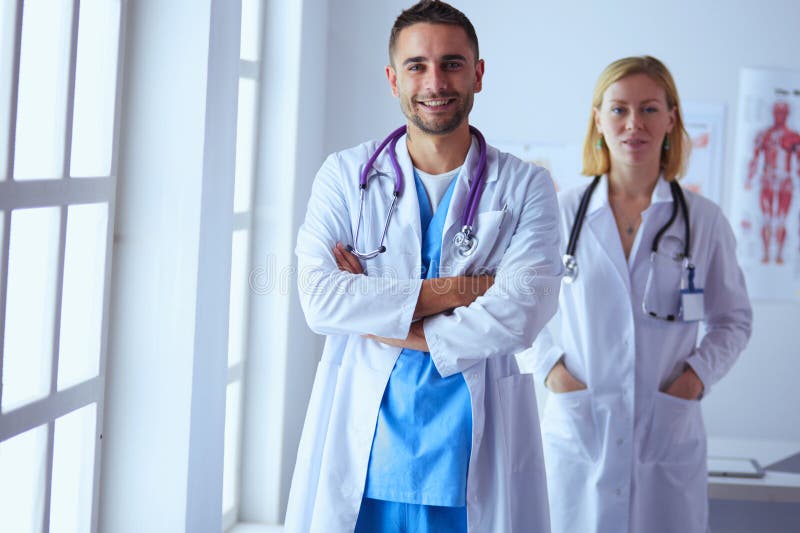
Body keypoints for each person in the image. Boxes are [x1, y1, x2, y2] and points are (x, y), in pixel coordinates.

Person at [285, 2, 562, 532]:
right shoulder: (345, 176)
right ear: (393, 79)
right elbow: (320, 300)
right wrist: (457, 291)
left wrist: (378, 320)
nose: (435, 81)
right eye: (416, 65)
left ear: (479, 73)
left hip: (470, 447)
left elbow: (520, 315)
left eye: (453, 63)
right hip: (368, 446)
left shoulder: (525, 186)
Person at [526, 56, 752, 533]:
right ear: (598, 119)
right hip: (579, 425)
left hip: (665, 430)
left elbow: (733, 320)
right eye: (619, 109)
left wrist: (693, 379)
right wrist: (552, 372)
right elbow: (521, 310)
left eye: (649, 109)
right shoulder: (559, 214)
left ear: (672, 118)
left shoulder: (703, 220)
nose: (634, 124)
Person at [744, 101, 800, 264]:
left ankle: (779, 254)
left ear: (787, 114)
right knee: (766, 218)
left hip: (785, 182)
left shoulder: (794, 136)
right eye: (777, 112)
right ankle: (766, 253)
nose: (779, 116)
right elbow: (754, 158)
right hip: (767, 181)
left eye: (782, 113)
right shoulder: (764, 135)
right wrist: (749, 178)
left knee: (781, 218)